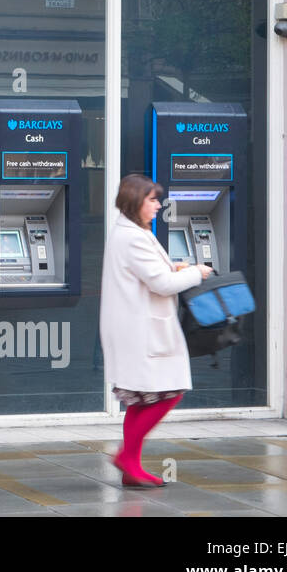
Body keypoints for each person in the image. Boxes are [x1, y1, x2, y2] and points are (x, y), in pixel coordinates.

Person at [100, 173, 213, 487]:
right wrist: (196, 272)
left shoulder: (130, 232)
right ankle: (127, 458)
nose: (158, 205)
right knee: (169, 393)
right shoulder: (134, 237)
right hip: (141, 331)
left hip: (138, 328)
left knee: (141, 399)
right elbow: (161, 284)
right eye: (152, 199)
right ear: (136, 201)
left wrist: (173, 267)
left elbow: (151, 274)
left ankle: (131, 466)